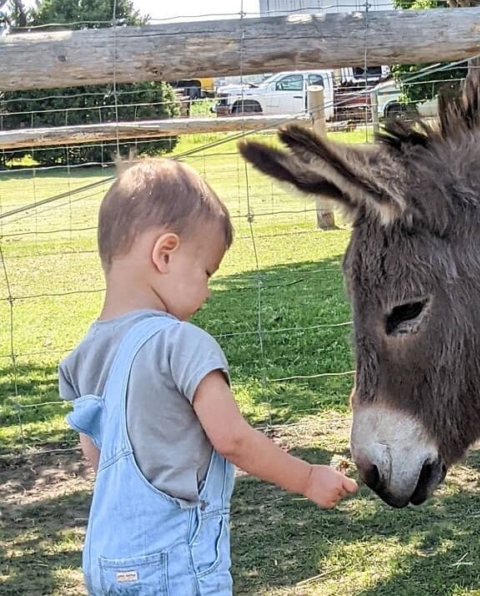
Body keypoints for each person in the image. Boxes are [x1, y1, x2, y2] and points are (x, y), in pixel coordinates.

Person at [58, 157, 358, 595]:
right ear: (165, 253)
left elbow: (99, 458)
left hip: (107, 561)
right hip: (173, 565)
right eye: (206, 272)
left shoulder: (81, 356)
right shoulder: (181, 343)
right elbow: (232, 439)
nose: (208, 291)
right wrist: (307, 478)